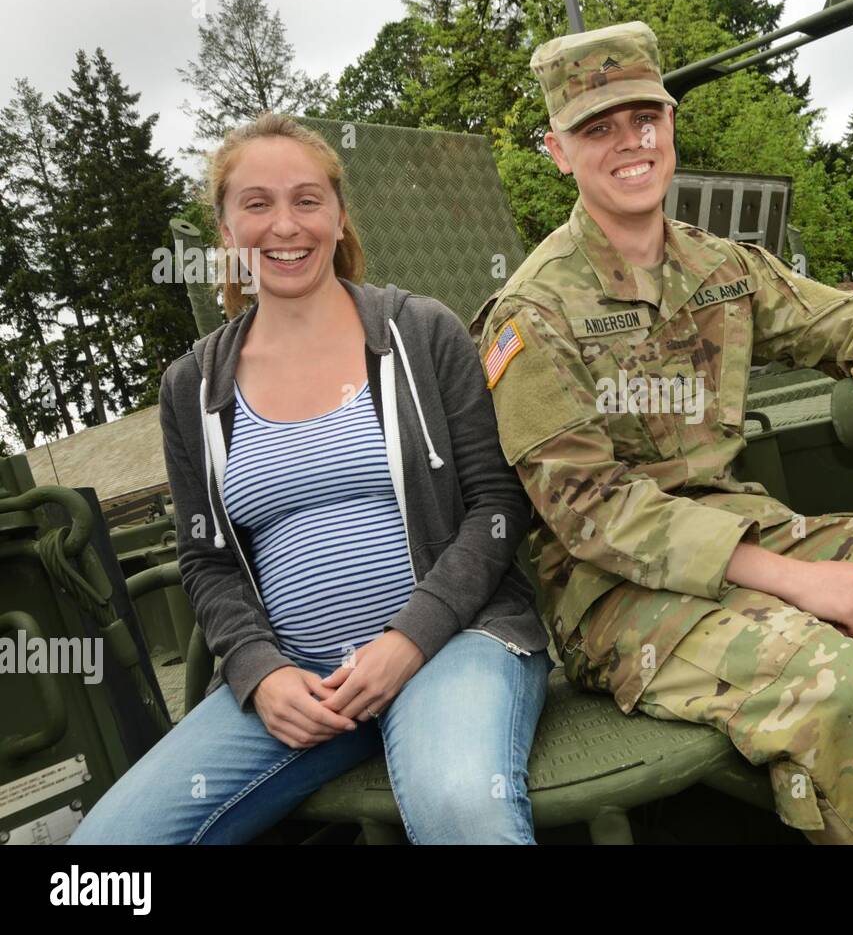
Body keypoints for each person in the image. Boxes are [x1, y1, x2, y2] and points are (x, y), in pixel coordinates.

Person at [474, 22, 853, 844]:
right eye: (598, 127)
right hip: (615, 596)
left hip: (746, 533)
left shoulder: (725, 270)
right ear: (557, 151)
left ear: (670, 125)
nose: (630, 142)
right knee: (841, 684)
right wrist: (790, 579)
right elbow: (590, 511)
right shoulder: (532, 312)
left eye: (644, 117)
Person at [71, 113, 551, 845]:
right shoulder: (193, 387)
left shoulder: (421, 332)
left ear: (338, 215)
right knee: (105, 854)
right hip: (300, 686)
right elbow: (206, 560)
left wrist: (407, 640)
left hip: (452, 647)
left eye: (306, 199)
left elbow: (495, 506)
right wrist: (262, 674)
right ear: (227, 232)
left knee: (463, 807)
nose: (284, 225)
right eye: (256, 204)